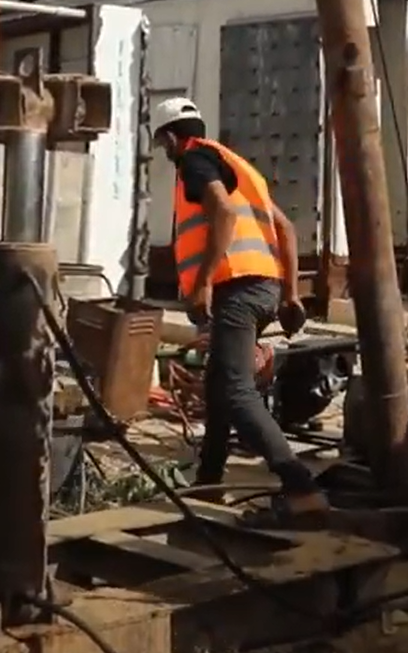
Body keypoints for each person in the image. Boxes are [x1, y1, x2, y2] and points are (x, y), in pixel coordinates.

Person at [149, 96, 330, 526]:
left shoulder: (194, 162)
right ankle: (209, 483)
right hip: (263, 286)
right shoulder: (238, 165)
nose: (165, 153)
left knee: (235, 390)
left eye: (162, 145)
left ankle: (300, 485)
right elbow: (284, 228)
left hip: (237, 288)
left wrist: (205, 281)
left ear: (172, 137)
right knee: (218, 389)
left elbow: (223, 214)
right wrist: (290, 295)